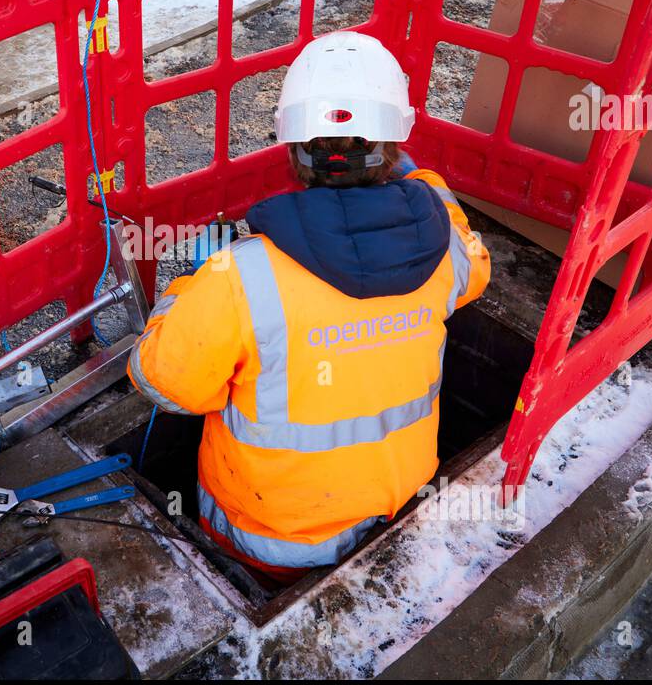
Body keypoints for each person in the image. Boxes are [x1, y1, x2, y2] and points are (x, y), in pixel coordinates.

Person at [127, 32, 491, 584]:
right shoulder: (444, 253)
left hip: (271, 547)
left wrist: (181, 293)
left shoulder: (240, 278)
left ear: (293, 150)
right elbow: (472, 257)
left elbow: (164, 383)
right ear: (395, 144)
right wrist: (420, 183)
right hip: (400, 514)